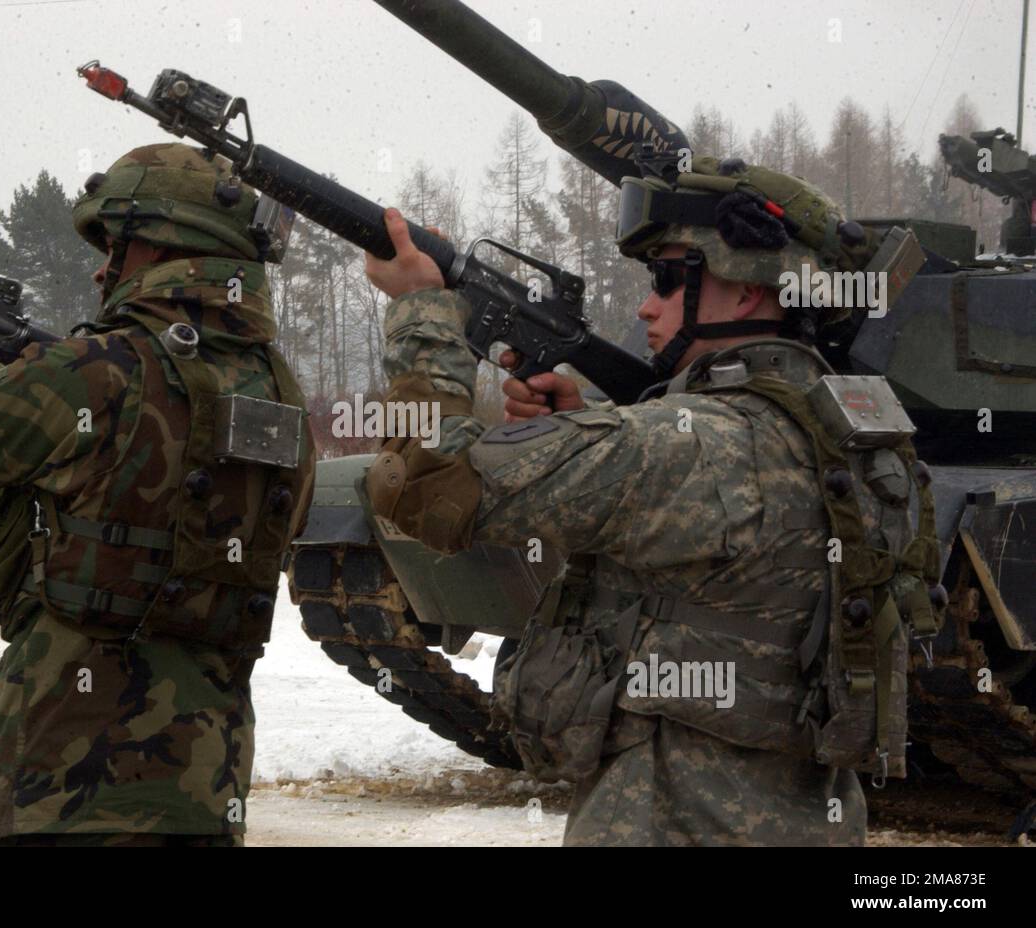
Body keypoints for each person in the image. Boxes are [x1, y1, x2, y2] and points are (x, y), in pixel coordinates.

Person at [361, 156, 943, 846]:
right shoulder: (862, 446)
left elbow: (428, 482)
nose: (646, 306)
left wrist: (420, 312)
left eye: (670, 280)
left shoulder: (684, 446)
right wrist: (582, 431)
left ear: (751, 291)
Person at [0, 143, 314, 846]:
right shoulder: (284, 403)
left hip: (64, 796)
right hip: (205, 798)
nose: (102, 269)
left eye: (117, 248)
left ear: (165, 249)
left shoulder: (94, 376)